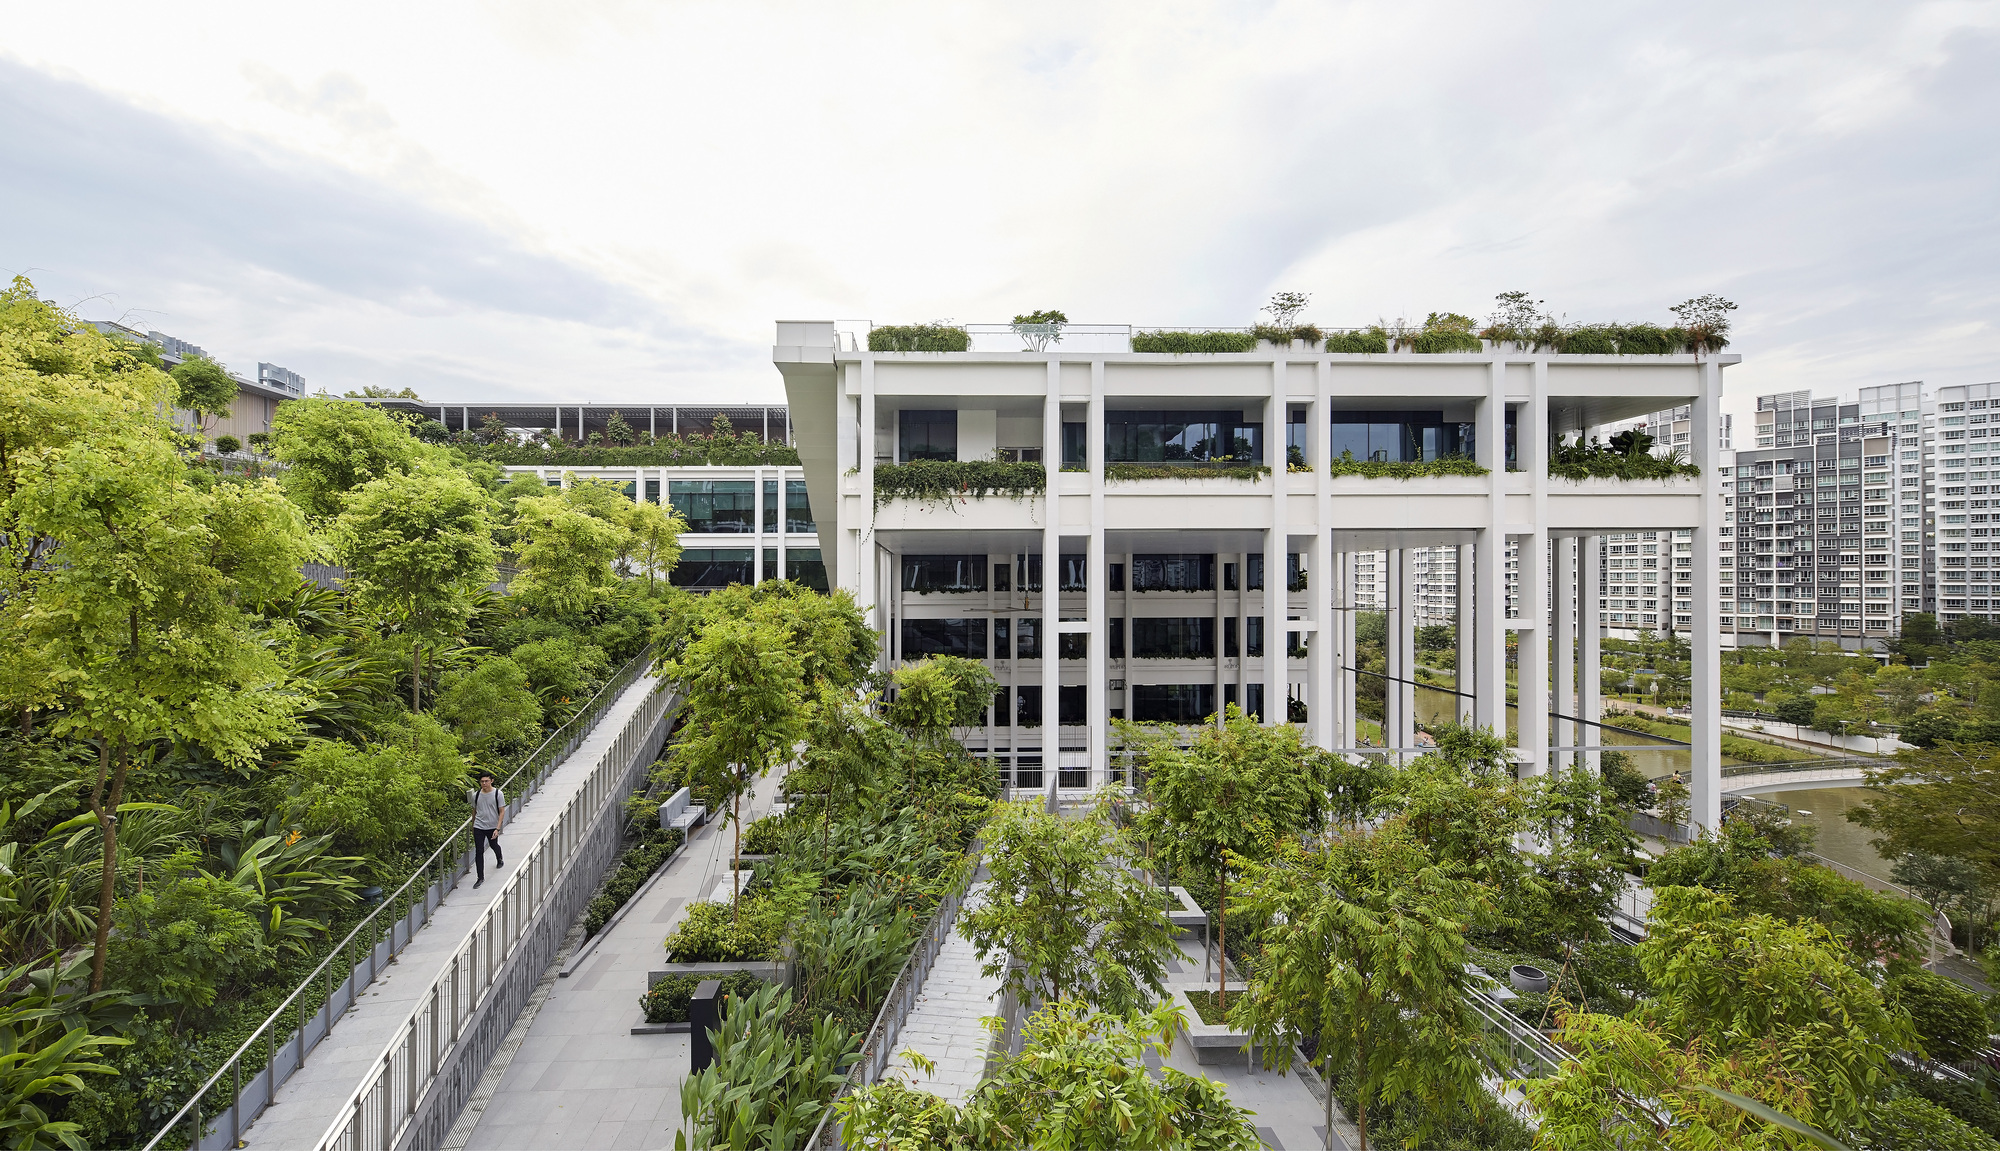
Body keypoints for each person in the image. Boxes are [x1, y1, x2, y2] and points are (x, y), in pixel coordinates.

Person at [468, 771, 506, 888]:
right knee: (479, 851)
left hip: (492, 826)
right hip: (479, 826)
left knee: (493, 845)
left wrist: (497, 828)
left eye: (486, 781)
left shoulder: (498, 794)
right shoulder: (476, 795)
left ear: (491, 781)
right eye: (482, 781)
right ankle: (480, 877)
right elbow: (474, 811)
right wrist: (473, 825)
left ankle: (499, 858)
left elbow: (502, 811)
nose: (484, 783)